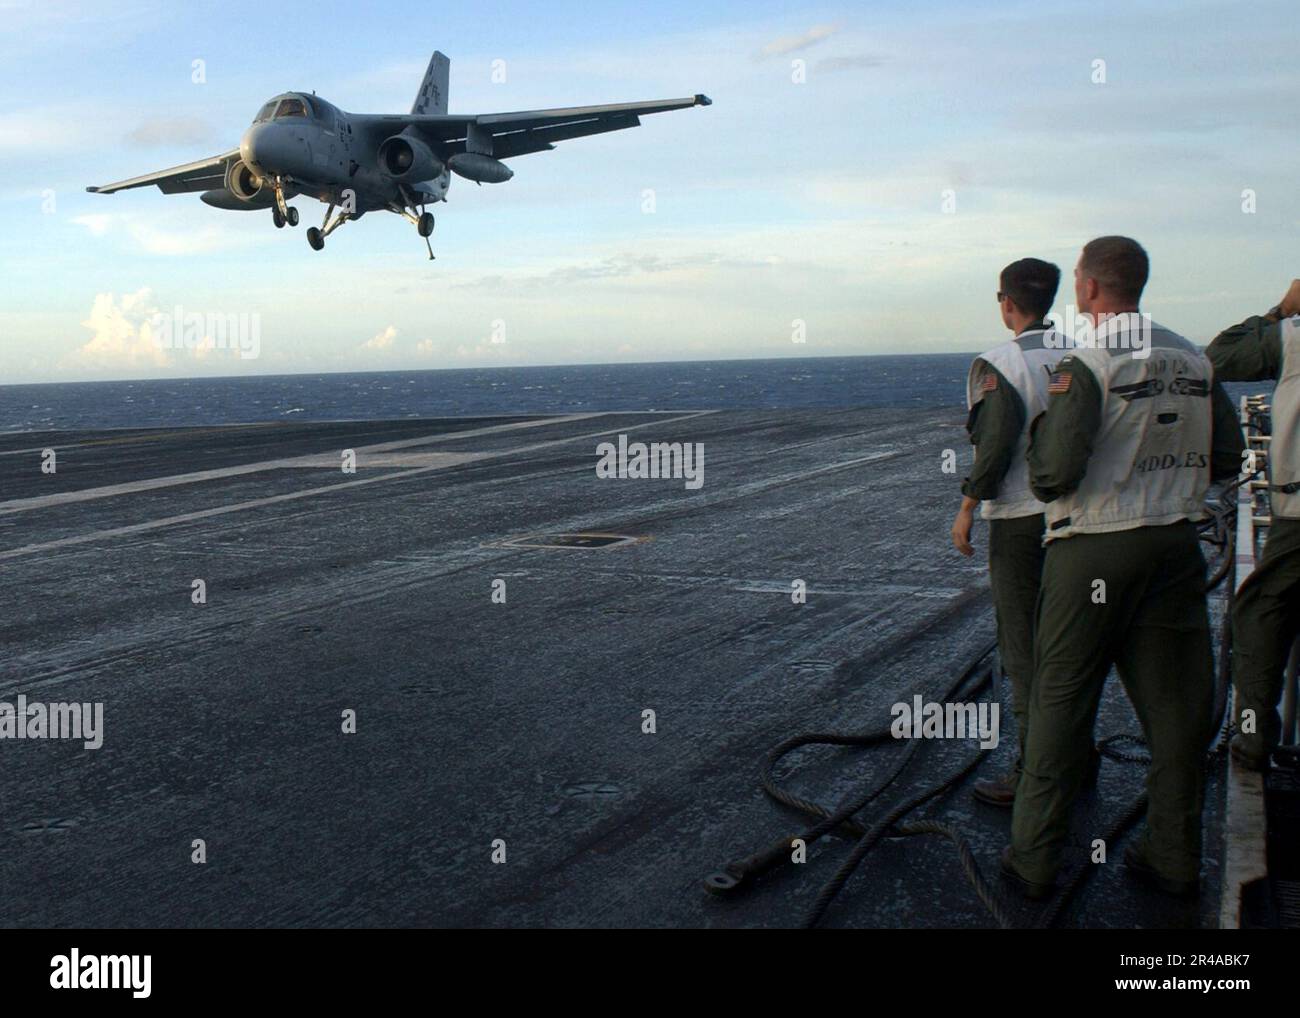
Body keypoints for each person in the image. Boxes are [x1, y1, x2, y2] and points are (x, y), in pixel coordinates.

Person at [1002, 236, 1245, 900]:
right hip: (1174, 549)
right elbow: (1227, 457)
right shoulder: (1193, 356)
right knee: (1177, 713)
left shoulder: (1089, 359)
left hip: (1095, 548)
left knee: (1059, 700)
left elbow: (1052, 474)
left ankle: (1032, 863)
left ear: (1087, 289)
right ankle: (1174, 857)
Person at [952, 257, 1072, 806]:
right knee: (1070, 650)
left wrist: (968, 505)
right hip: (1076, 520)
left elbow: (996, 442)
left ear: (1007, 302)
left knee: (1023, 652)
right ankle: (1076, 761)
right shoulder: (1079, 354)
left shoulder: (998, 363)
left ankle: (1033, 776)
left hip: (1021, 520)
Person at [1204, 279, 1300, 770]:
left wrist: (1283, 308)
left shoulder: (1294, 336)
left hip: (1297, 520)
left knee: (1261, 614)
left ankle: (1253, 740)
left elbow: (1219, 355)